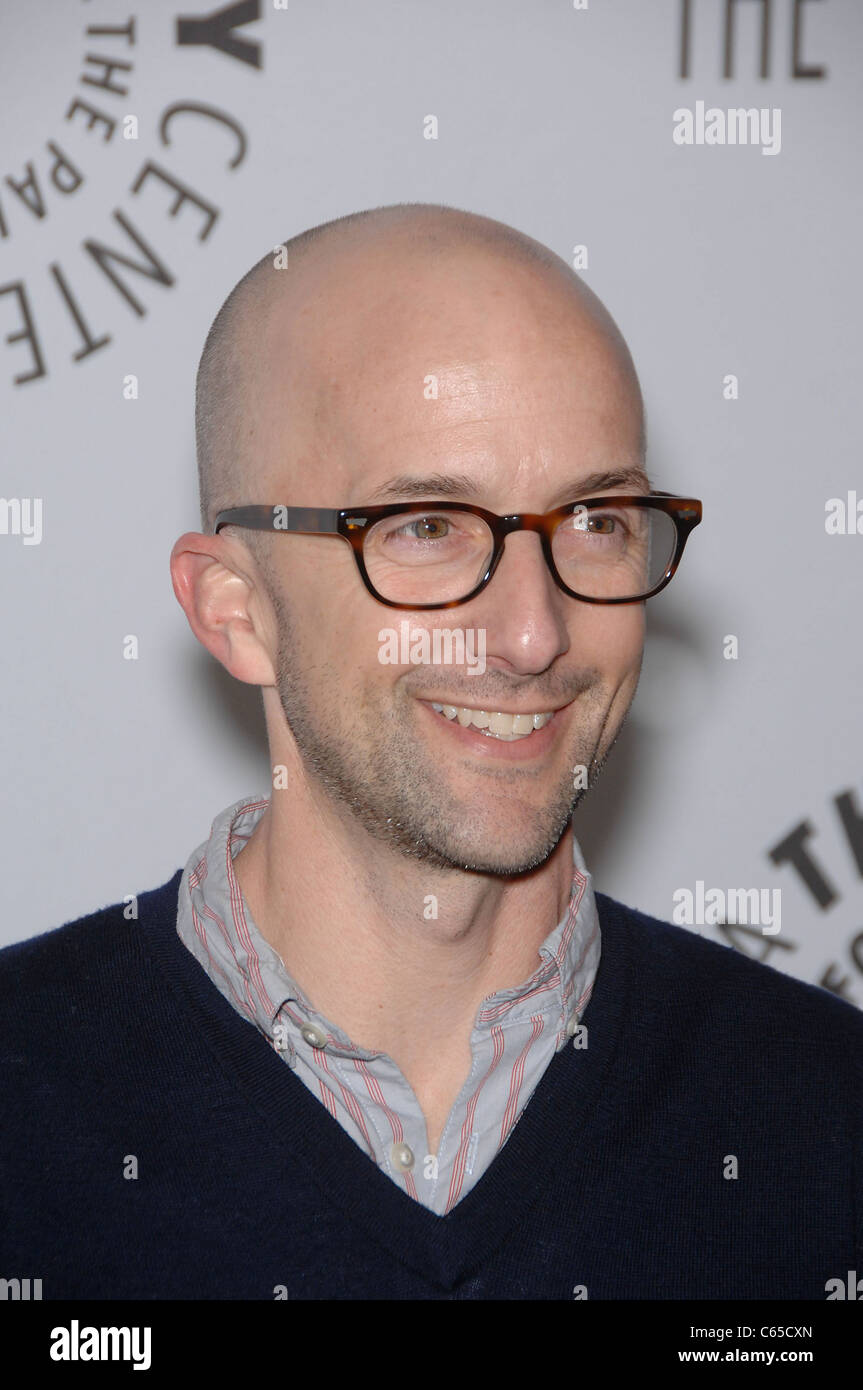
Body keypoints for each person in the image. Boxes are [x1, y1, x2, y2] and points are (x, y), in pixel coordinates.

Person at [2, 204, 860, 1301]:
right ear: (235, 611)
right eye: (423, 526)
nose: (531, 634)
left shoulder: (826, 1118)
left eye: (594, 519)